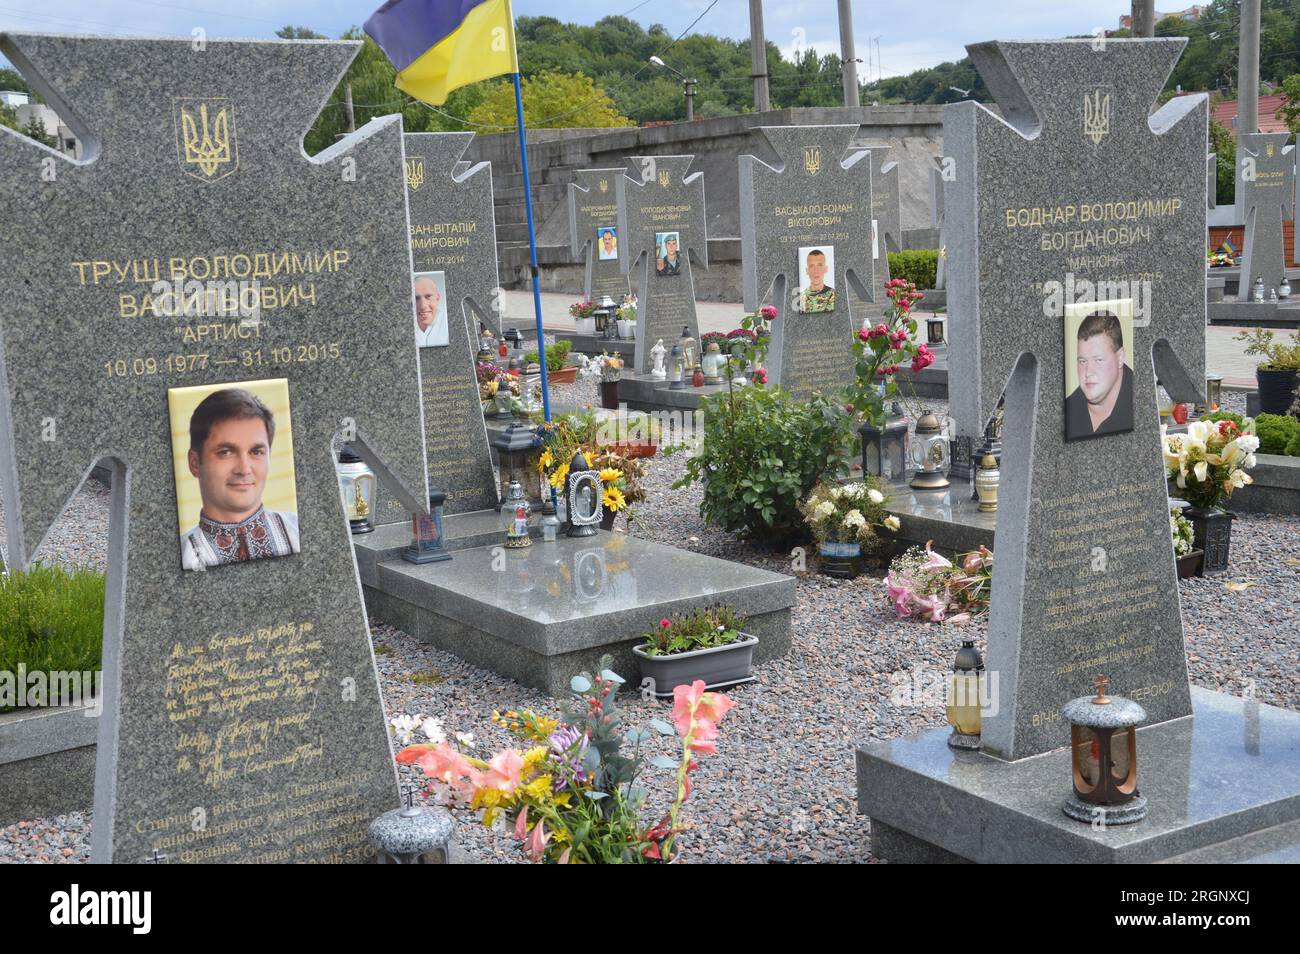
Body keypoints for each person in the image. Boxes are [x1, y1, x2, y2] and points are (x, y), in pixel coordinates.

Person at [181, 388, 300, 571]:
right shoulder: (181, 554)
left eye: (256, 452)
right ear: (195, 463)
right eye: (226, 452)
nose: (244, 469)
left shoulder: (299, 530)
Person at [1065, 310, 1134, 441]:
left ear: (1120, 358)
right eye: (1082, 361)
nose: (1088, 372)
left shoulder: (1144, 402)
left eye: (1098, 360)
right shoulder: (1066, 410)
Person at [413, 274, 448, 347]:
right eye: (416, 298)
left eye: (428, 296)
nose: (423, 306)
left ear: (437, 298)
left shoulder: (449, 324)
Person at [799, 248, 836, 313]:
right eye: (811, 266)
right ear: (807, 271)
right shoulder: (802, 297)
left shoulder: (832, 294)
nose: (816, 270)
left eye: (819, 265)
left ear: (825, 269)